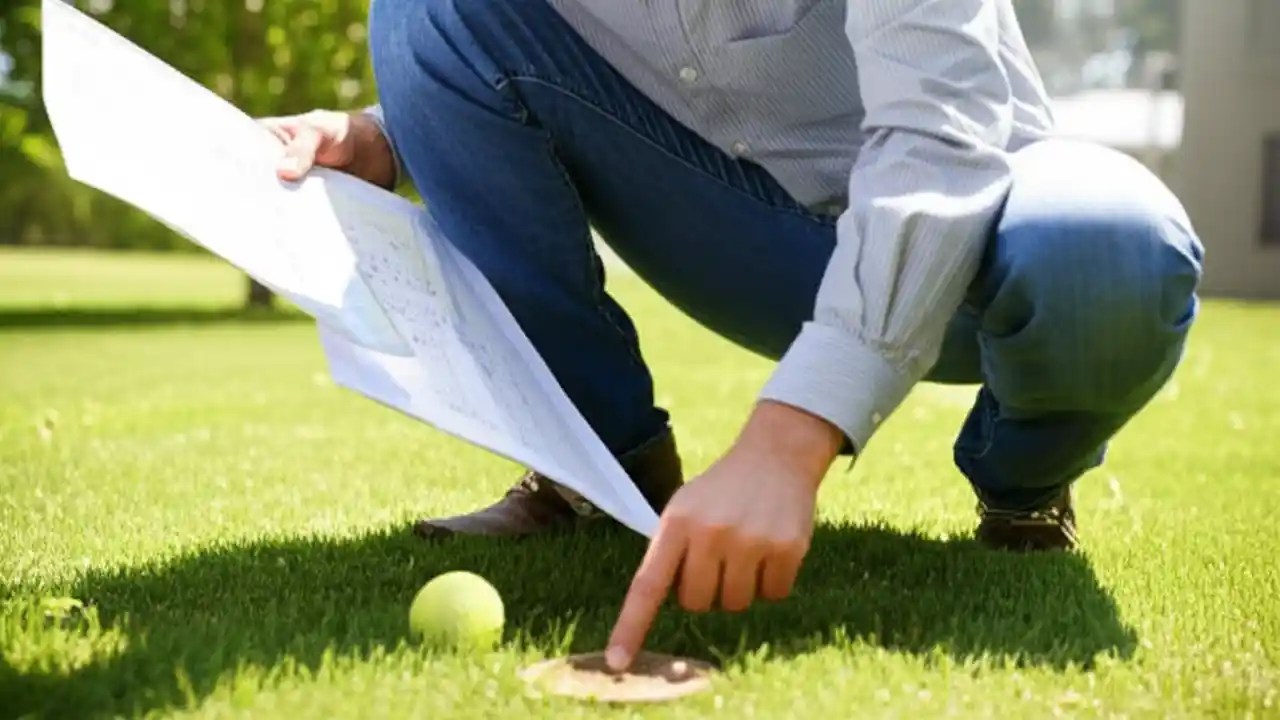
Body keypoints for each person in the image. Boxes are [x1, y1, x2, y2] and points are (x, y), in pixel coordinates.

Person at [262, 0, 1203, 672]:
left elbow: (942, 137)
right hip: (732, 227)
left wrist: (791, 439)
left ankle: (1024, 487)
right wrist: (396, 132)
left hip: (970, 248)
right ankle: (600, 472)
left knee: (1112, 243)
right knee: (424, 13)